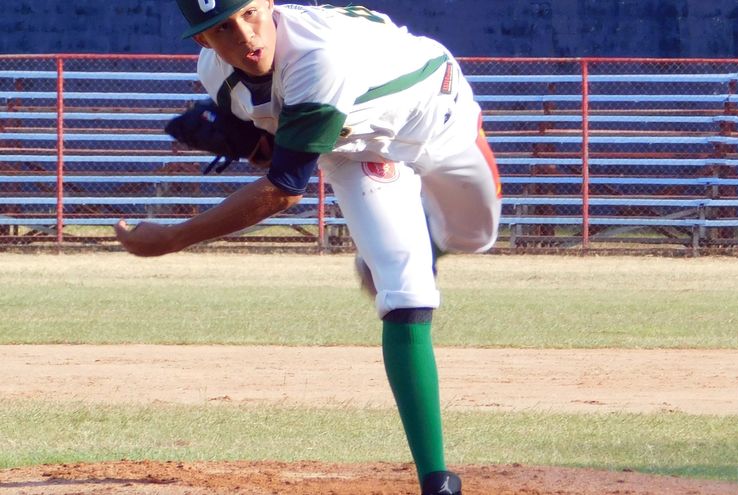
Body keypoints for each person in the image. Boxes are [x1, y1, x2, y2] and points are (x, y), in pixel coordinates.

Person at [114, 1, 502, 493]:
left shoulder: (320, 55)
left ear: (268, 4)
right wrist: (246, 137)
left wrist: (171, 237)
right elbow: (275, 150)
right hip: (352, 150)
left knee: (476, 235)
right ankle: (436, 479)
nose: (244, 36)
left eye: (249, 13)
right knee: (406, 296)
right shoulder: (217, 72)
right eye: (221, 28)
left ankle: (427, 241)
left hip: (437, 120)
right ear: (202, 41)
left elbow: (283, 188)